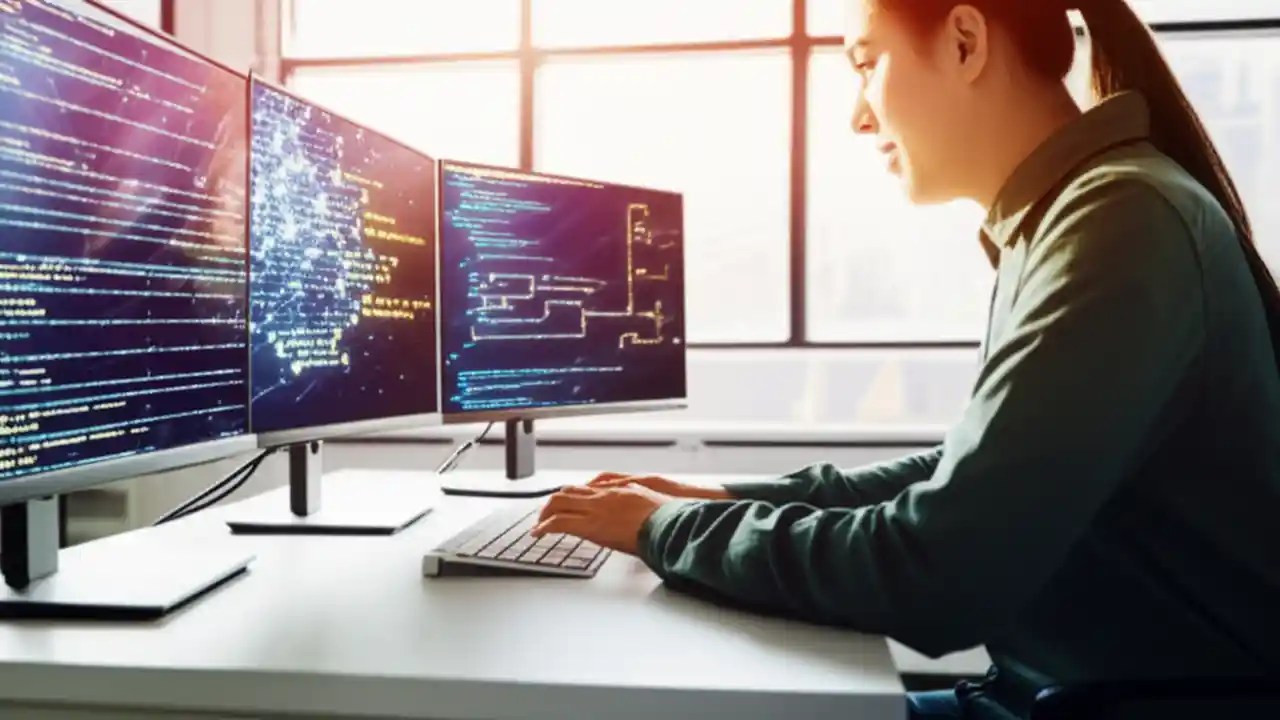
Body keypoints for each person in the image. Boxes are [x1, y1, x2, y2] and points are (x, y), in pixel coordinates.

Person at [531, 0, 1280, 717]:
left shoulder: (1119, 223)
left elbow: (937, 571)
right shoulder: (1073, 215)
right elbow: (963, 472)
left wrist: (664, 529)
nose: (859, 115)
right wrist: (722, 498)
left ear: (965, 42)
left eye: (866, 64)